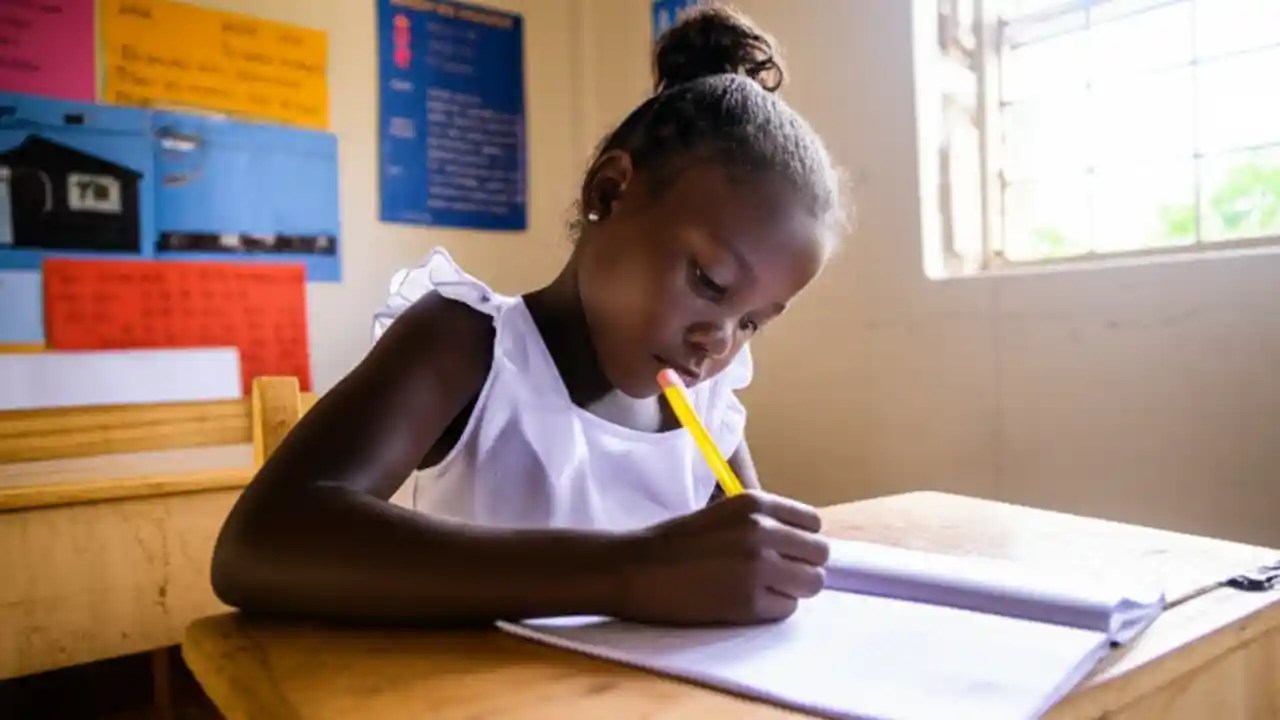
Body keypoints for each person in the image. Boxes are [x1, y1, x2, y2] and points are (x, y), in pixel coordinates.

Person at [212, 6, 846, 627]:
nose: (718, 341)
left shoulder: (704, 410)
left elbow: (740, 562)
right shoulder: (468, 347)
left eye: (753, 322)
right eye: (709, 281)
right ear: (610, 193)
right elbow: (262, 542)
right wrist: (626, 573)